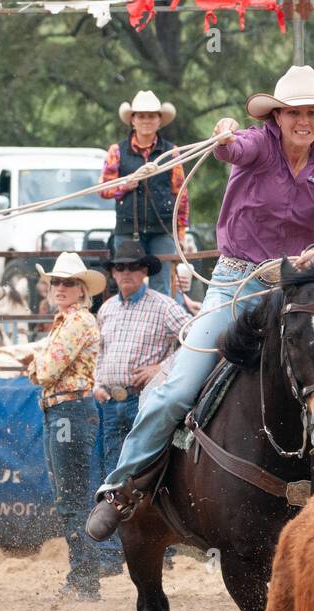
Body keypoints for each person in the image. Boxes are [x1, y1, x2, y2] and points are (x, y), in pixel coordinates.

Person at [86, 65, 314, 542]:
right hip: (238, 280)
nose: (304, 121)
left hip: (298, 283)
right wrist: (223, 137)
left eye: (313, 112)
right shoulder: (257, 143)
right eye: (295, 112)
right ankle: (120, 488)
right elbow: (234, 148)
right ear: (278, 115)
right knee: (176, 389)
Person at [93, 238, 188, 576]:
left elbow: (194, 337)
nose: (126, 272)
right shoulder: (107, 309)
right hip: (110, 401)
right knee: (112, 474)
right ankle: (110, 557)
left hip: (144, 400)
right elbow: (100, 352)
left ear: (145, 271)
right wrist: (97, 384)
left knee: (148, 475)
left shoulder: (163, 306)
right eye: (120, 267)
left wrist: (158, 370)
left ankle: (159, 547)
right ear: (113, 272)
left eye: (133, 267)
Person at [23, 252, 104, 600]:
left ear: (81, 289)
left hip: (69, 410)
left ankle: (84, 579)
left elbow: (46, 371)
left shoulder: (78, 323)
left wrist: (36, 363)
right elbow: (44, 368)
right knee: (69, 496)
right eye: (56, 281)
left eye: (67, 282)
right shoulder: (67, 322)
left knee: (71, 497)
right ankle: (84, 577)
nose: (60, 287)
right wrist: (39, 364)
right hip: (64, 410)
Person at [99, 90, 188, 299]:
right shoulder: (117, 151)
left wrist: (180, 233)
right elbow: (103, 189)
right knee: (127, 284)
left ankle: (161, 330)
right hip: (128, 228)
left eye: (151, 116)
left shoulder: (171, 152)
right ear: (133, 120)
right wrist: (124, 186)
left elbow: (180, 195)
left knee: (162, 286)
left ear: (159, 121)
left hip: (162, 229)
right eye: (141, 116)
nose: (146, 120)